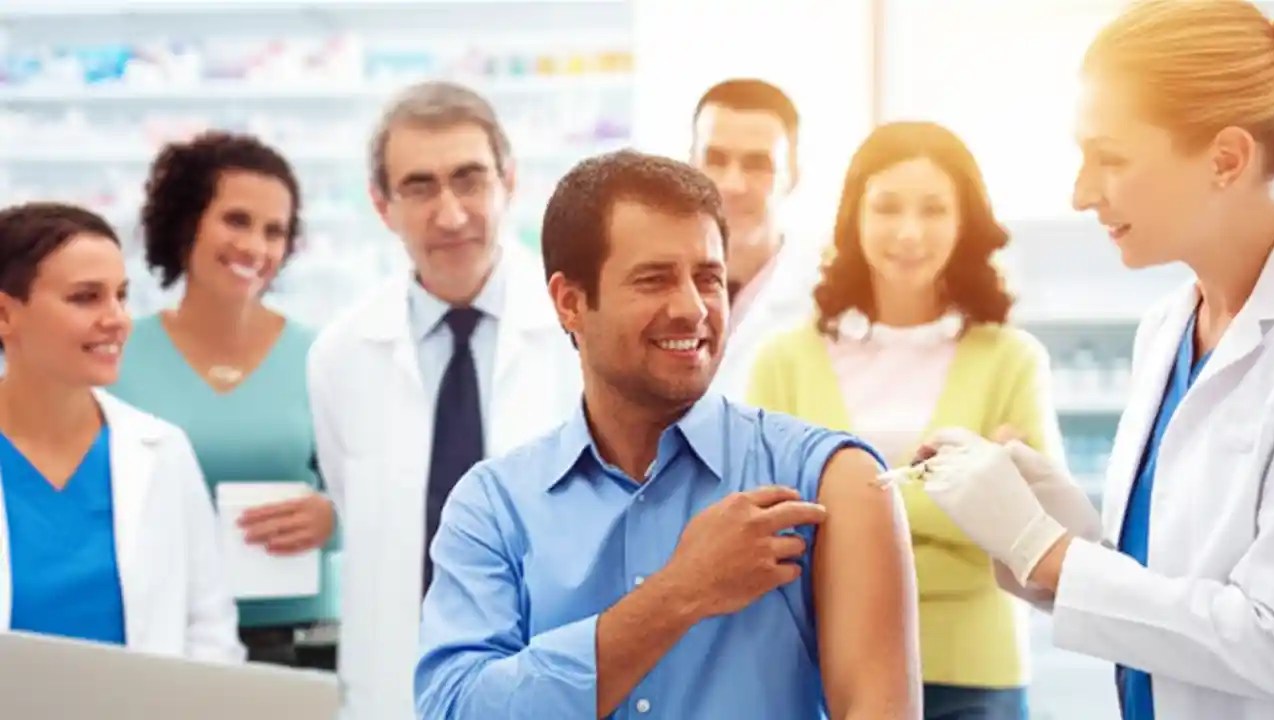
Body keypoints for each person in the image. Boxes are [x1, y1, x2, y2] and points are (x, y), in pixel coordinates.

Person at [414, 150, 921, 719]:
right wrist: (679, 593)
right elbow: (454, 709)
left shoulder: (832, 484)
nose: (692, 308)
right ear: (570, 302)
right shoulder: (493, 506)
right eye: (654, 280)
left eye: (708, 278)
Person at [912, 2, 1274, 719]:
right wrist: (1065, 528)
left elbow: (1270, 638)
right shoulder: (1166, 330)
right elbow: (1169, 597)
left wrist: (1044, 548)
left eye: (1110, 158)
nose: (1081, 192)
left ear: (1226, 159)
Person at [746, 121, 1062, 719]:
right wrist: (959, 494)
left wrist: (843, 513)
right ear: (854, 217)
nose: (909, 233)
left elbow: (1033, 532)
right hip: (820, 672)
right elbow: (765, 530)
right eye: (888, 207)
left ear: (964, 220)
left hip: (975, 677)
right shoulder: (783, 360)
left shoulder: (1011, 360)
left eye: (934, 209)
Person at [307, 81, 582, 719]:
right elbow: (359, 511)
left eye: (470, 179)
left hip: (553, 683)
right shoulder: (341, 355)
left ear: (508, 182)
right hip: (393, 692)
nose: (451, 213)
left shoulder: (580, 334)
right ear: (382, 206)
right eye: (420, 186)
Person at [109, 131, 339, 669]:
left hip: (303, 641)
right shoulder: (116, 356)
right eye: (236, 221)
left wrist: (335, 518)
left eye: (274, 231)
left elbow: (378, 484)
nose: (255, 247)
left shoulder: (323, 356)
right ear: (187, 220)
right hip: (160, 640)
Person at [0, 201, 241, 661]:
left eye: (121, 295)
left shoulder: (162, 451)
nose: (117, 319)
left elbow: (209, 629)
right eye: (85, 297)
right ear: (6, 315)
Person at [689, 78, 821, 400]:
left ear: (794, 176)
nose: (733, 184)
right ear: (690, 166)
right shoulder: (640, 285)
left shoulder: (823, 300)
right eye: (715, 160)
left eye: (757, 165)